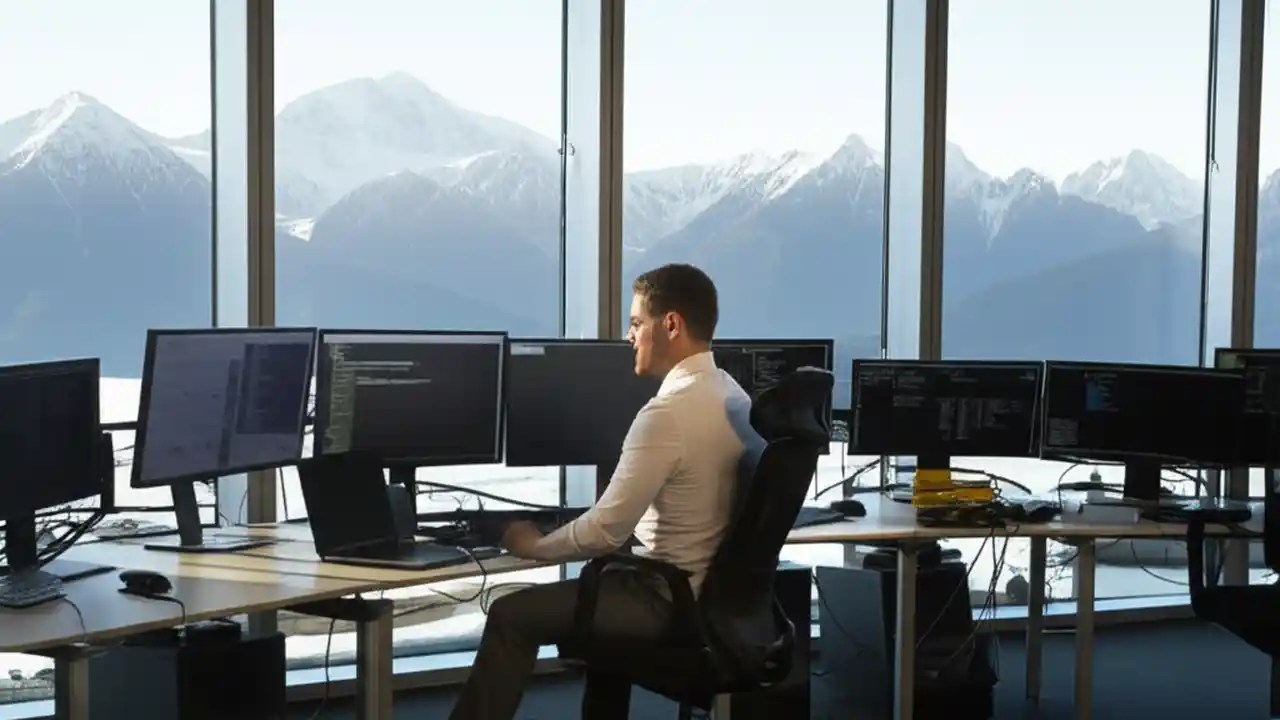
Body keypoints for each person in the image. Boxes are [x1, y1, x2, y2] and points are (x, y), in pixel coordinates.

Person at [449, 263, 762, 720]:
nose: (629, 337)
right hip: (710, 599)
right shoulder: (734, 395)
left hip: (664, 601)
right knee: (605, 590)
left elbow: (606, 532)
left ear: (670, 324)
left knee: (510, 615)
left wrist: (533, 545)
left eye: (636, 324)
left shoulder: (666, 414)